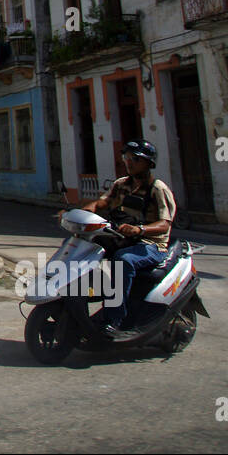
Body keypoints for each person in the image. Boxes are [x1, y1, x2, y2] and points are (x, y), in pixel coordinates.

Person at [64, 140, 177, 339]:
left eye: (135, 159)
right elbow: (104, 201)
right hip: (122, 238)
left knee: (123, 261)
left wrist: (139, 229)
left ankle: (114, 319)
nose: (129, 163)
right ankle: (73, 297)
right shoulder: (121, 184)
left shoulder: (157, 188)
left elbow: (165, 223)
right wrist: (92, 207)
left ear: (149, 163)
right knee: (83, 249)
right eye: (126, 159)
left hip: (150, 245)